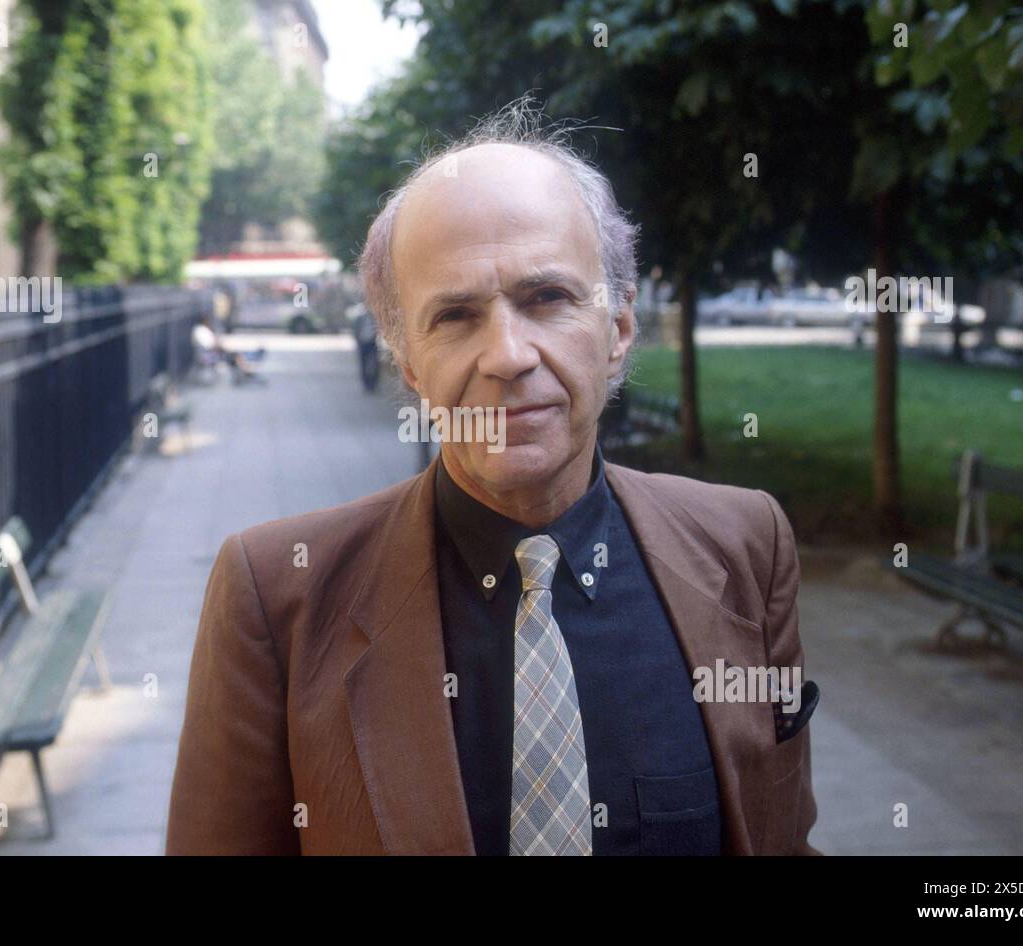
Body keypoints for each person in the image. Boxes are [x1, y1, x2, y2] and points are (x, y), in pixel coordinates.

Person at [166, 102, 818, 856]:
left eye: (548, 298)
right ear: (408, 361)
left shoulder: (746, 546)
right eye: (454, 316)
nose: (508, 354)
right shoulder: (277, 596)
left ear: (620, 328)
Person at [191, 314, 266, 385]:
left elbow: (212, 344)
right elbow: (210, 346)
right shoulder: (201, 331)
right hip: (212, 355)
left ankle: (246, 372)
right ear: (204, 321)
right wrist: (220, 345)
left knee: (235, 355)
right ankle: (247, 372)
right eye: (208, 320)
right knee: (235, 356)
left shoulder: (204, 330)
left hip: (215, 353)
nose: (210, 322)